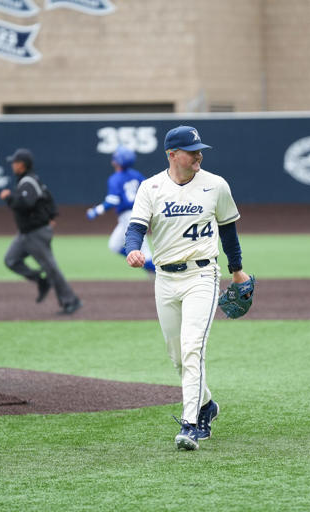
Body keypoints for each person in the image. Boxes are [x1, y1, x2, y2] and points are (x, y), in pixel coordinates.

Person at [125, 125, 252, 450]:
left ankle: (191, 424)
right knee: (177, 357)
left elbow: (228, 232)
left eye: (200, 150)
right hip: (165, 279)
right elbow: (136, 226)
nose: (199, 155)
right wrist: (133, 249)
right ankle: (207, 405)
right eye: (192, 150)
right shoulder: (151, 187)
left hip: (202, 276)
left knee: (193, 348)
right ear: (172, 155)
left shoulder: (215, 185)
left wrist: (236, 271)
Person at [0, 148, 82, 315]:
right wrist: (52, 215)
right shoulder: (28, 180)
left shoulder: (29, 182)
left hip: (35, 233)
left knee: (50, 267)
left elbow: (26, 204)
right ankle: (40, 280)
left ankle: (71, 300)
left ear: (22, 165)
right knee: (11, 260)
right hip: (25, 233)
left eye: (14, 162)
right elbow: (47, 198)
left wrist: (9, 197)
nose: (12, 165)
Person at [85, 146, 155, 273]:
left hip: (131, 217)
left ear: (118, 161)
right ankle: (145, 264)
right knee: (114, 245)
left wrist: (96, 211)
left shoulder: (115, 178)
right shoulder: (136, 175)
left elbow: (113, 200)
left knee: (145, 253)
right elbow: (149, 191)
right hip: (135, 214)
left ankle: (161, 274)